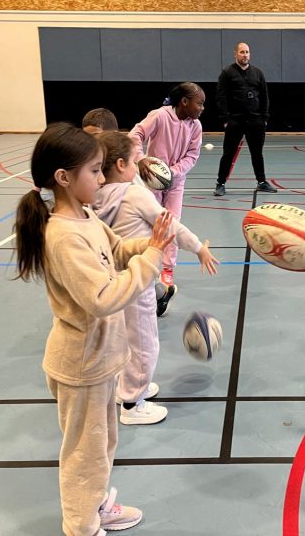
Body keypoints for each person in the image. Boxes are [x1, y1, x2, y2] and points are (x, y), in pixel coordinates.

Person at [13, 123, 175, 536]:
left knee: (101, 447)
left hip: (101, 361)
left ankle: (96, 505)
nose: (103, 180)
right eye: (95, 171)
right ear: (64, 178)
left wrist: (147, 244)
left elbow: (118, 250)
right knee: (84, 455)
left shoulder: (85, 216)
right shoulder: (63, 236)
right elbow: (101, 298)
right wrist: (152, 259)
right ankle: (81, 527)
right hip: (81, 365)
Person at [94, 131, 219, 425]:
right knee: (144, 344)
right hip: (137, 282)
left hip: (110, 282)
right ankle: (133, 405)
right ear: (122, 164)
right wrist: (199, 248)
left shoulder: (95, 195)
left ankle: (125, 388)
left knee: (123, 340)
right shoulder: (135, 194)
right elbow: (170, 226)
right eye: (135, 161)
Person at [80, 107, 177, 316]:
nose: (91, 143)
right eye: (86, 137)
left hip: (130, 236)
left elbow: (148, 207)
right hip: (105, 234)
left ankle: (157, 296)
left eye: (95, 136)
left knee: (133, 274)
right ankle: (162, 293)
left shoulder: (126, 175)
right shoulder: (88, 165)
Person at [130, 82, 205, 288]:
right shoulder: (160, 115)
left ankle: (167, 270)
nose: (202, 108)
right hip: (151, 182)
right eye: (199, 103)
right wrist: (140, 158)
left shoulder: (196, 127)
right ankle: (145, 262)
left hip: (176, 183)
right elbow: (135, 135)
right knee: (150, 223)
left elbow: (192, 156)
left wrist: (173, 172)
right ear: (184, 102)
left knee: (172, 224)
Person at [213, 42, 276, 196]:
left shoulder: (257, 73)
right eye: (242, 52)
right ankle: (220, 184)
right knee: (228, 153)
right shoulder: (227, 73)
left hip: (256, 122)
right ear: (235, 54)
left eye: (247, 52)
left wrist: (264, 118)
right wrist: (226, 119)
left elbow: (265, 96)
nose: (245, 55)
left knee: (257, 153)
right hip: (235, 121)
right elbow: (221, 97)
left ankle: (262, 182)